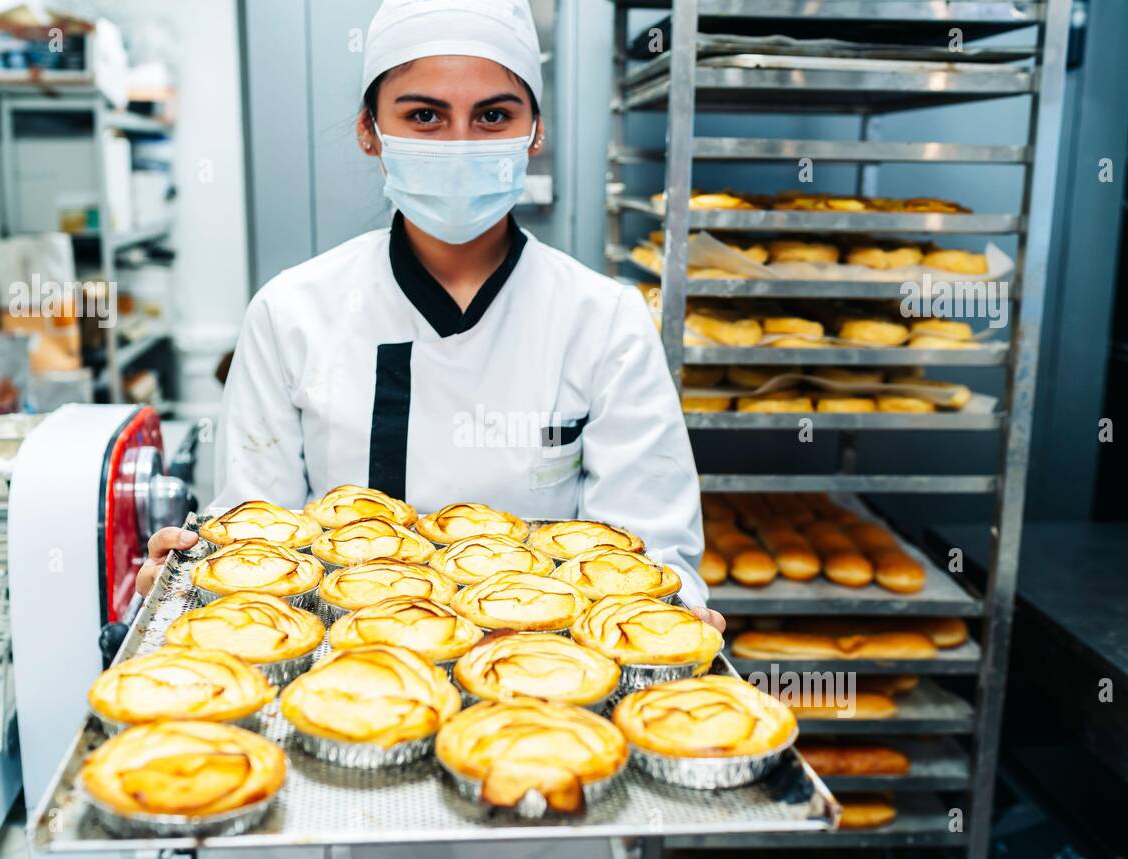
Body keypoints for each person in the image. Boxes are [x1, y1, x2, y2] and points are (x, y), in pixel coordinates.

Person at [137, 0, 721, 637]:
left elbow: (649, 554)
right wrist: (188, 584)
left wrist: (675, 618)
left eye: (494, 115)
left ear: (535, 132)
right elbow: (258, 544)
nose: (460, 145)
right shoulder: (292, 312)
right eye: (424, 116)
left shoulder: (605, 321)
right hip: (347, 679)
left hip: (546, 677)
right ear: (369, 130)